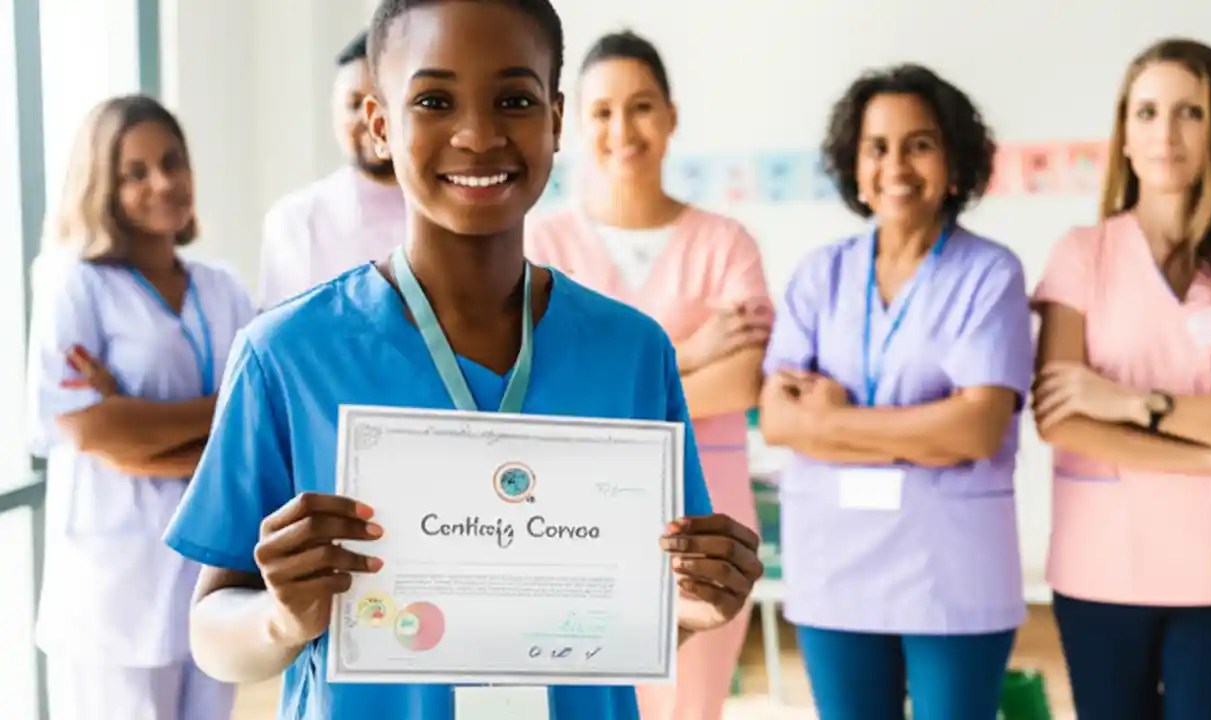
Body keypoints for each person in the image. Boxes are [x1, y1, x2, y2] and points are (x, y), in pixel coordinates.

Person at [160, 2, 764, 719]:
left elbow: (638, 614)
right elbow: (212, 633)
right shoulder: (287, 355)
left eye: (514, 99)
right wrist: (281, 618)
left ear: (555, 119)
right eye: (433, 100)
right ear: (380, 124)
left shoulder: (632, 353)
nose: (477, 134)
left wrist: (701, 604)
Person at [757, 64, 1034, 720]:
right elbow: (776, 418)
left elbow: (973, 432)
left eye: (920, 144)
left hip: (951, 567)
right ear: (855, 164)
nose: (896, 165)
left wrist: (833, 421)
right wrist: (922, 433)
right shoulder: (819, 275)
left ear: (954, 158)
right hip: (835, 564)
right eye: (877, 147)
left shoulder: (990, 275)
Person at [525, 31, 771, 720]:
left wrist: (607, 393)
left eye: (641, 107)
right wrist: (690, 352)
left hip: (705, 523)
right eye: (603, 111)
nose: (622, 129)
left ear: (670, 116)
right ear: (575, 122)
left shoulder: (726, 242)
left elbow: (743, 382)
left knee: (693, 709)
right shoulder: (543, 245)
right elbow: (546, 395)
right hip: (574, 527)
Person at [1032, 38, 1211, 720]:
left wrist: (1132, 402)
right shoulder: (1083, 255)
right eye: (1145, 112)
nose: (1164, 133)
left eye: (1189, 113)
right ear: (1124, 131)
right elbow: (1061, 418)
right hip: (1104, 564)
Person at [25, 94, 254, 720]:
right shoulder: (74, 284)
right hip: (113, 585)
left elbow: (259, 422)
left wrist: (139, 420)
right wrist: (220, 411)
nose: (164, 182)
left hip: (210, 568)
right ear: (102, 184)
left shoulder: (222, 287)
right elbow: (94, 432)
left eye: (173, 162)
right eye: (136, 172)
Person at [257, 29, 406, 308]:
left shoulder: (450, 208)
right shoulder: (295, 219)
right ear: (334, 113)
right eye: (353, 105)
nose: (369, 119)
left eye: (383, 103)